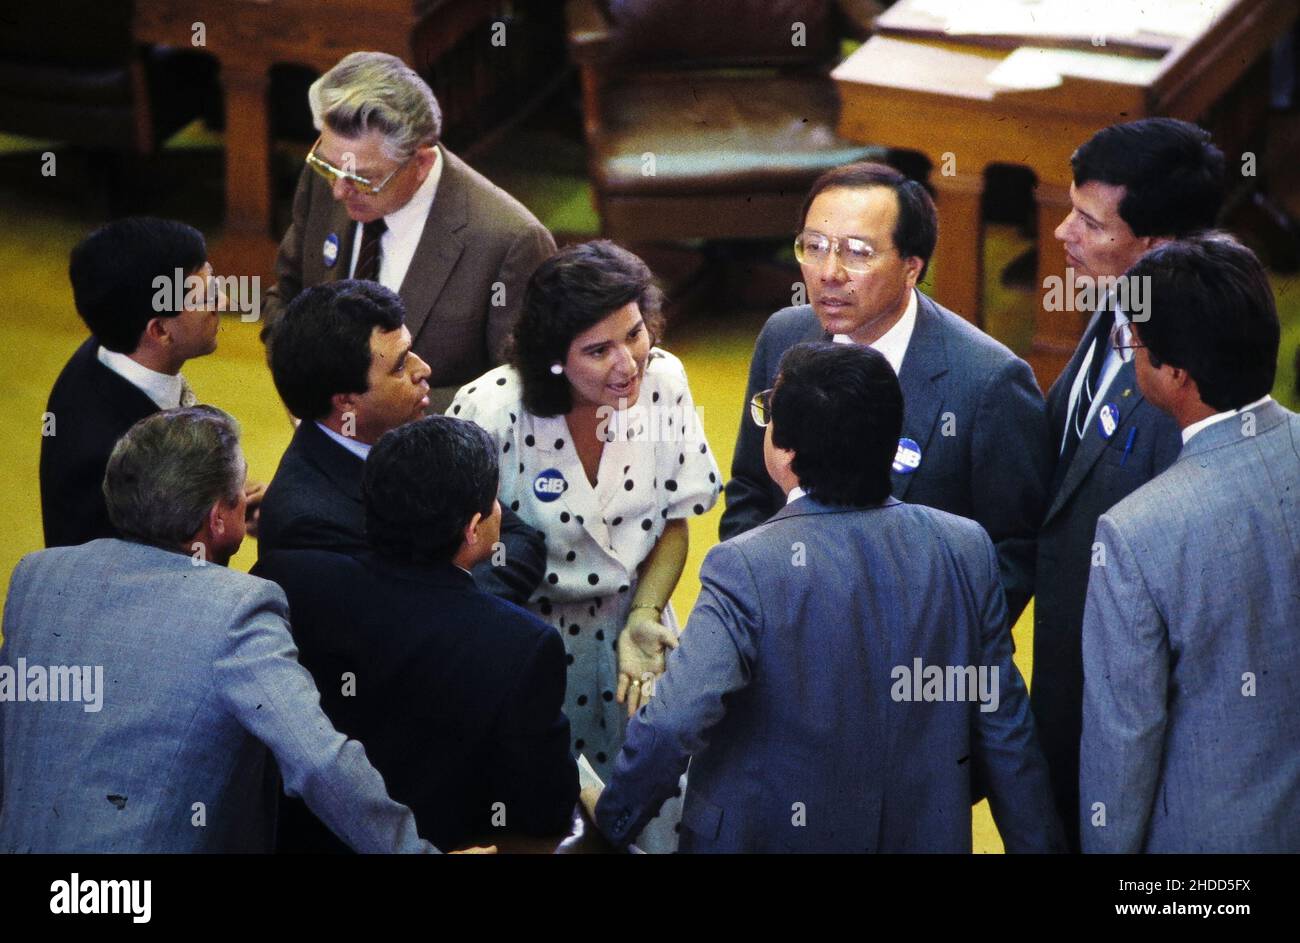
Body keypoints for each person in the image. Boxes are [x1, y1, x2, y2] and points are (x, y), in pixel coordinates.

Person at [590, 342, 1063, 852]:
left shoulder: (744, 567)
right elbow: (1006, 733)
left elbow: (673, 723)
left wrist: (613, 821)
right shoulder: (966, 547)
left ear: (785, 449)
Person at [2, 407, 435, 853]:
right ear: (216, 519)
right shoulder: (240, 610)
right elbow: (321, 763)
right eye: (237, 493)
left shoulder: (36, 576)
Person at [450, 240, 722, 850]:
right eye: (598, 350)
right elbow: (456, 562)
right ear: (553, 359)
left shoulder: (666, 381)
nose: (627, 362)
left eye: (635, 333)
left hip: (637, 640)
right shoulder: (489, 411)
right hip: (525, 648)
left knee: (658, 819)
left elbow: (674, 521)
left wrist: (646, 615)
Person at [720, 162, 1049, 621]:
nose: (828, 273)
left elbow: (1011, 553)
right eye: (813, 247)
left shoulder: (989, 381)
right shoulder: (783, 336)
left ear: (911, 267)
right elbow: (751, 490)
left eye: (857, 252)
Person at [1033, 118, 1225, 849]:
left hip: (1128, 709)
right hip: (1069, 669)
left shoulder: (1191, 378)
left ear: (1154, 246)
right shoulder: (1121, 303)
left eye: (1088, 221)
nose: (1061, 237)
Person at [256, 417, 578, 852]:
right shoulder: (521, 646)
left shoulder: (286, 577)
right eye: (494, 501)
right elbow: (544, 809)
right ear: (473, 527)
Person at [1079, 235, 1299, 853]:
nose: (1131, 356)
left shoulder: (1134, 535)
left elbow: (1123, 745)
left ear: (1177, 374)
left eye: (1136, 345)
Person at [260, 51, 556, 413]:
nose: (338, 190)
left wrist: (380, 415)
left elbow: (517, 391)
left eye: (363, 179)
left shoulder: (510, 242)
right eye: (329, 167)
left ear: (421, 162)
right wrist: (312, 395)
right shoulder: (329, 175)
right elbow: (287, 298)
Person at [258, 280, 544, 604]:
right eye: (399, 364)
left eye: (411, 349)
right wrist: (462, 585)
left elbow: (521, 539)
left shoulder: (417, 440)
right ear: (346, 402)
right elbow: (401, 622)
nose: (423, 369)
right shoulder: (307, 523)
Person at [40, 217, 262, 548]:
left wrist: (214, 496)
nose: (225, 303)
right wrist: (221, 528)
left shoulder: (113, 341)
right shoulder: (110, 462)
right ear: (159, 330)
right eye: (204, 298)